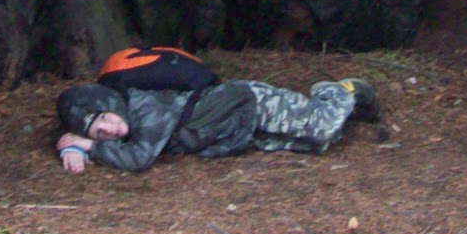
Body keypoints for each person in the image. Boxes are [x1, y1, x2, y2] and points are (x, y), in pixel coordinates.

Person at [53, 55, 379, 174]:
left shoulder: (144, 108)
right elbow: (73, 131)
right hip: (239, 130)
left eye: (105, 119)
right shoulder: (123, 119)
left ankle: (340, 90)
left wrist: (90, 146)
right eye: (100, 132)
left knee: (321, 127)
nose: (110, 130)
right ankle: (341, 108)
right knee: (321, 144)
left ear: (112, 106)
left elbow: (139, 159)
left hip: (252, 102)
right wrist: (71, 146)